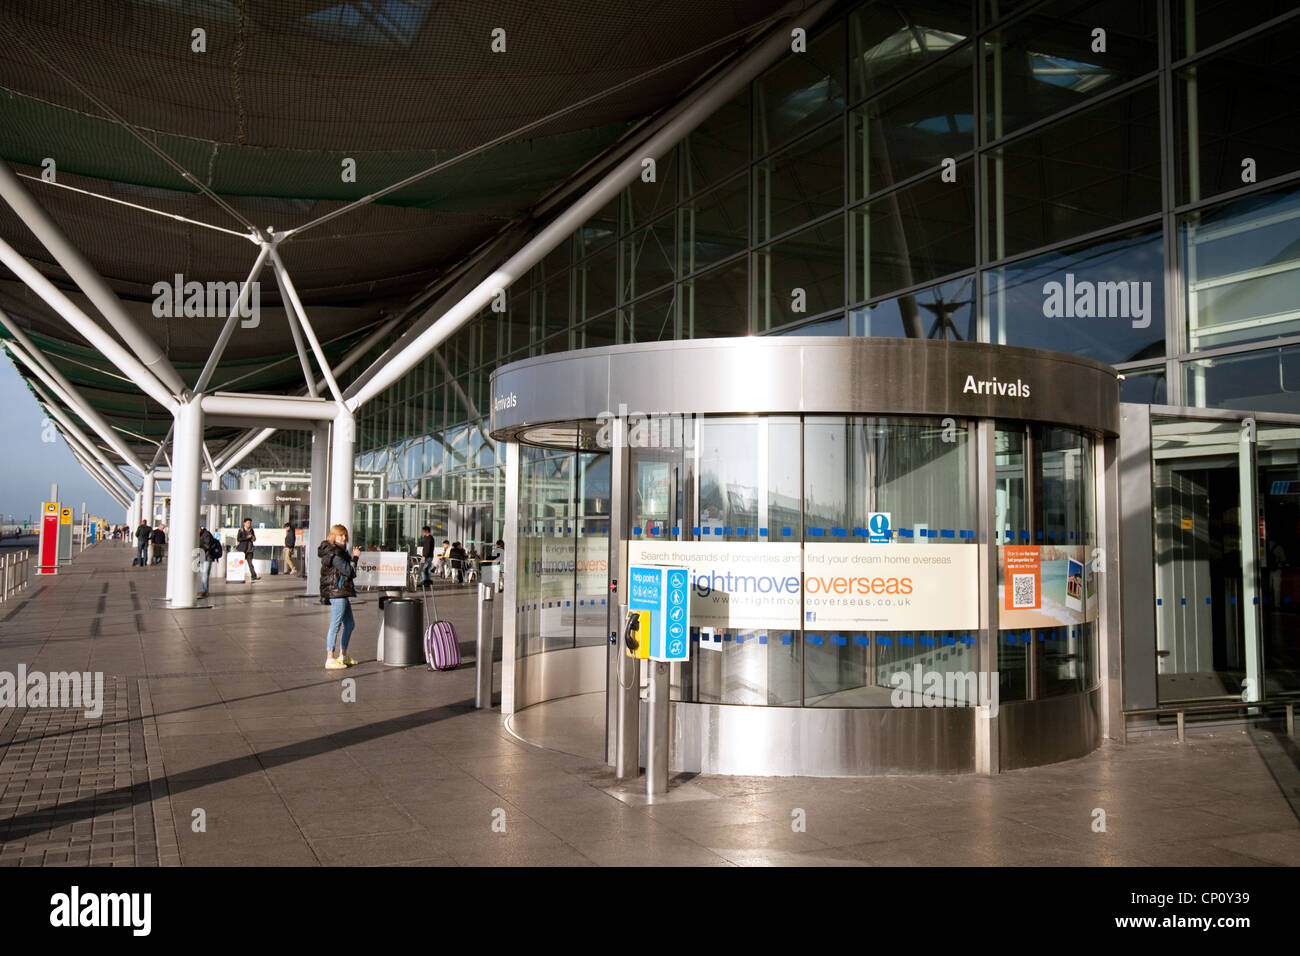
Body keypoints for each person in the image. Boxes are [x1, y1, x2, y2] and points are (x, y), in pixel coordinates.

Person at [318, 525, 361, 669]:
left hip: (341, 591)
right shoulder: (335, 554)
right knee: (335, 625)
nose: (343, 538)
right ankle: (330, 658)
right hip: (337, 592)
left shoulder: (339, 551)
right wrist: (355, 557)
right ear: (333, 536)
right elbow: (349, 571)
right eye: (340, 535)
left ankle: (342, 655)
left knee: (349, 624)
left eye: (344, 535)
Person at [197, 525, 219, 599]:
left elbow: (207, 545)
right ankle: (204, 590)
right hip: (203, 556)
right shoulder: (201, 535)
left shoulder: (206, 534)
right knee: (203, 573)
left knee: (205, 573)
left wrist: (198, 546)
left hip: (207, 556)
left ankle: (204, 590)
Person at [236, 517, 259, 582]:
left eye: (250, 523)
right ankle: (238, 576)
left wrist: (253, 538)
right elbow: (239, 539)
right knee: (240, 563)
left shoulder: (251, 530)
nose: (249, 524)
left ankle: (254, 576)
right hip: (242, 549)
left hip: (249, 549)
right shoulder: (241, 530)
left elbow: (254, 539)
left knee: (250, 563)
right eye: (248, 523)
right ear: (244, 523)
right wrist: (246, 537)